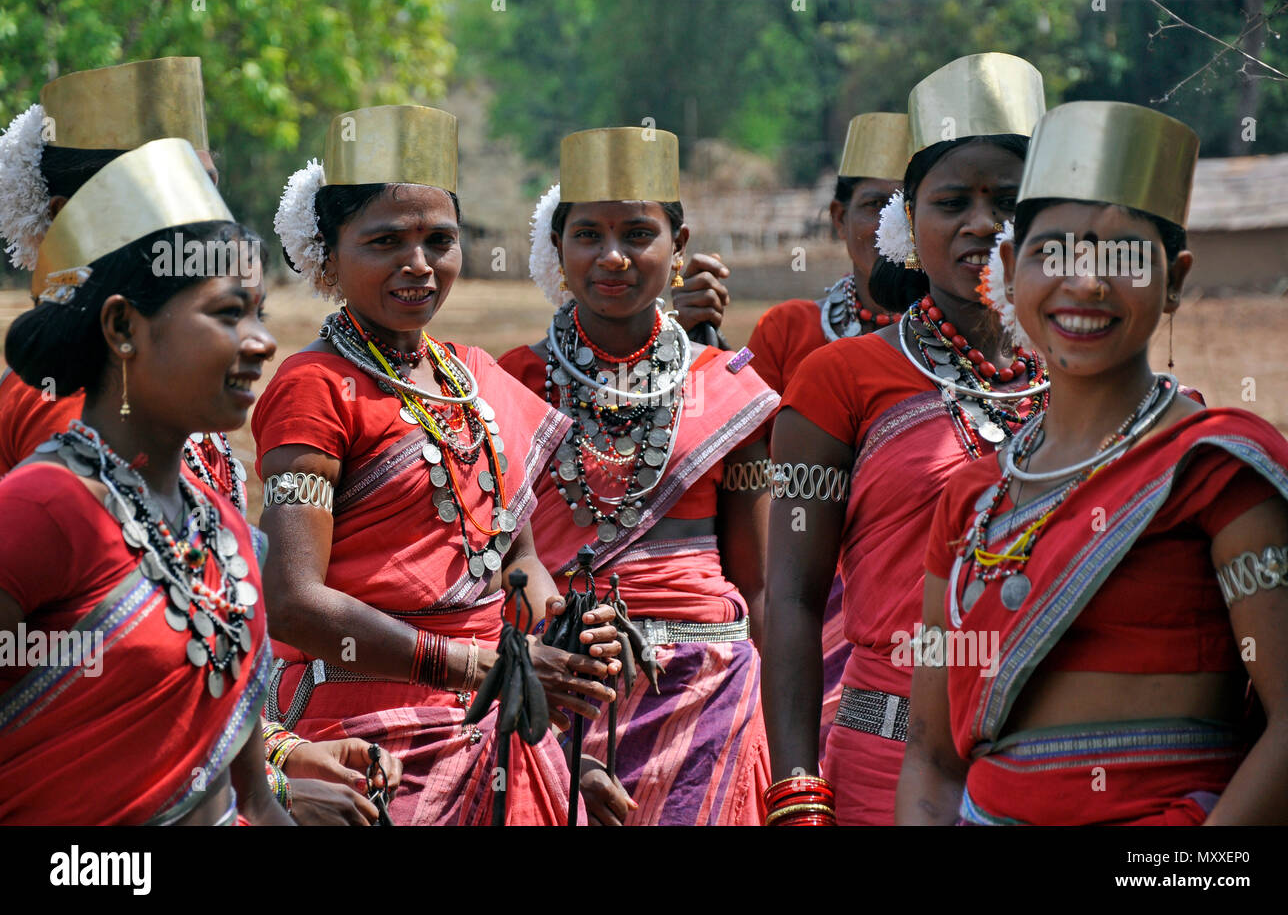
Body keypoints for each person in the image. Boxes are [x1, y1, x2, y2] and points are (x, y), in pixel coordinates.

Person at [899, 101, 1288, 825]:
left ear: (1174, 280)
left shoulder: (1216, 472)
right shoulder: (973, 499)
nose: (1085, 284)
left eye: (1123, 257)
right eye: (1053, 253)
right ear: (1012, 267)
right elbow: (930, 758)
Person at [254, 105, 622, 826]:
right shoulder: (313, 388)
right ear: (327, 255)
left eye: (438, 241)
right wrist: (468, 664)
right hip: (361, 739)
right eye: (385, 241)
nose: (417, 265)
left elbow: (517, 561)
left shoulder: (476, 378)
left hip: (498, 727)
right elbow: (294, 599)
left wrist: (565, 626)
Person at [762, 53, 1050, 825]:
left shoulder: (1090, 382)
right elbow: (791, 595)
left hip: (1055, 766)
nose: (984, 224)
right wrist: (795, 786)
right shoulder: (838, 379)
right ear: (906, 221)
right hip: (883, 766)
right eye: (953, 201)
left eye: (1012, 202)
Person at [0, 138, 286, 824]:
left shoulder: (221, 529)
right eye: (227, 314)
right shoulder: (43, 510)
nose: (261, 342)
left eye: (260, 313)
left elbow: (255, 801)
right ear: (124, 326)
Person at [499, 126, 778, 825]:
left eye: (638, 233)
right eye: (587, 234)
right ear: (558, 249)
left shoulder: (726, 388)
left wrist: (791, 744)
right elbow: (501, 566)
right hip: (561, 688)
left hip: (710, 697)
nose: (612, 257)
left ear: (679, 247)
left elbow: (762, 582)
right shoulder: (511, 383)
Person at [745, 111, 909, 761]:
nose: (889, 225)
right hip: (799, 587)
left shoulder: (997, 356)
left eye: (905, 205)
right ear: (839, 219)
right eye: (873, 205)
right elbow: (748, 471)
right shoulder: (789, 332)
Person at [0, 58, 238, 486]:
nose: (204, 220)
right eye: (166, 191)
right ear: (67, 216)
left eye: (206, 188)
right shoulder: (72, 396)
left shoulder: (161, 367)